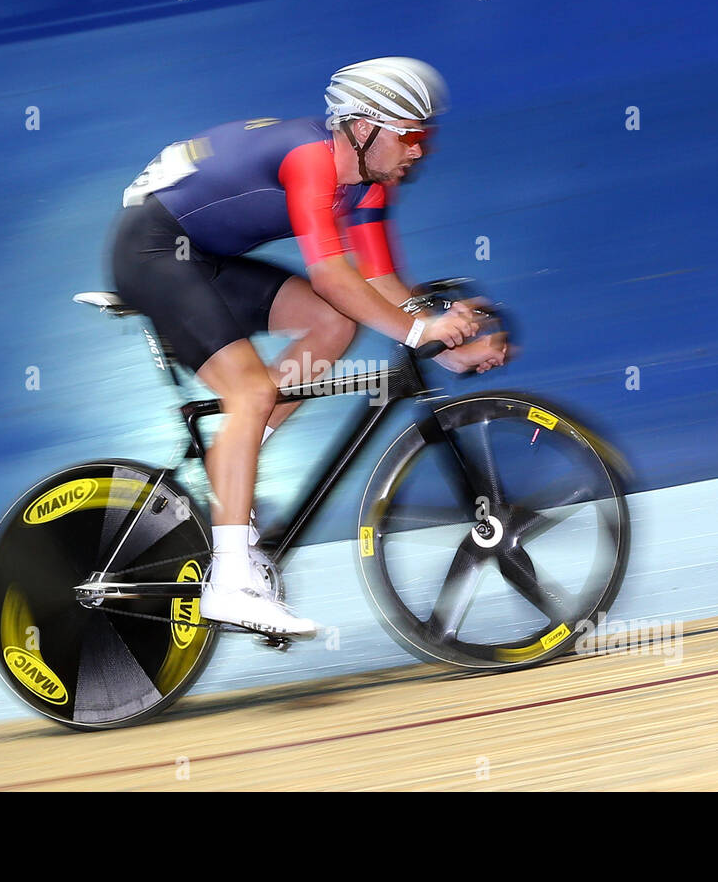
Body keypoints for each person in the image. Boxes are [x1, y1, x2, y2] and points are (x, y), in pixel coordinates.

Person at [109, 57, 508, 639]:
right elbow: (332, 276)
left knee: (332, 324)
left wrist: (447, 347)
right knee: (251, 386)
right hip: (149, 251)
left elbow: (376, 284)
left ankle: (236, 454)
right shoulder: (311, 159)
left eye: (426, 137)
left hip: (202, 259)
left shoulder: (367, 185)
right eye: (412, 136)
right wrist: (420, 330)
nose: (420, 151)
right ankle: (232, 580)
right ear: (365, 128)